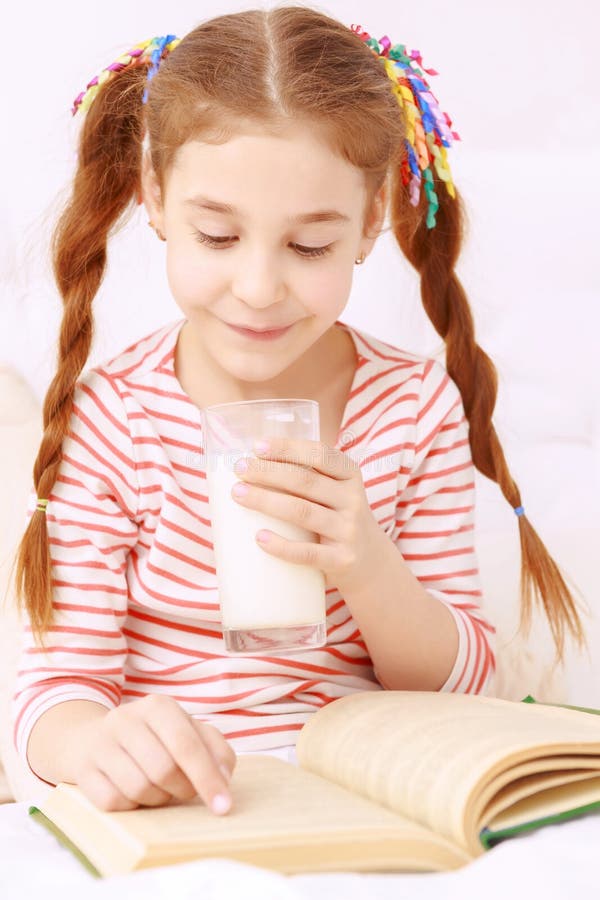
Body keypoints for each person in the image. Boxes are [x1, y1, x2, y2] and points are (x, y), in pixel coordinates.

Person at [10, 6, 586, 819]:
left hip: (361, 796)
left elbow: (467, 681)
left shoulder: (411, 408)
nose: (257, 288)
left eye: (309, 247)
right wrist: (93, 746)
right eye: (216, 236)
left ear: (369, 221)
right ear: (157, 202)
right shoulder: (117, 418)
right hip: (185, 807)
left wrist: (366, 565)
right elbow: (53, 694)